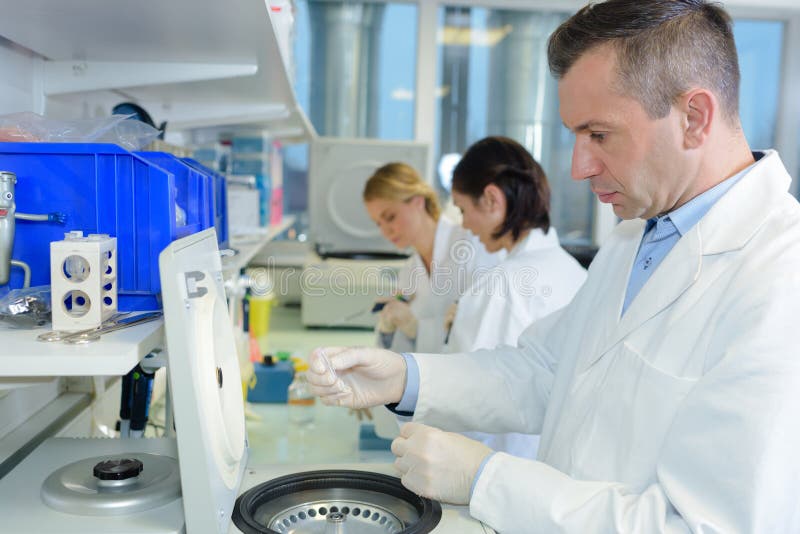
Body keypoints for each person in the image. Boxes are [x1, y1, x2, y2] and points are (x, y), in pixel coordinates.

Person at [307, 1, 800, 532]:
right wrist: (406, 377)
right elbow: (547, 372)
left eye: (599, 135)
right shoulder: (637, 234)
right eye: (574, 136)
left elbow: (705, 527)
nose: (577, 166)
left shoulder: (778, 282)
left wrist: (486, 480)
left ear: (694, 117)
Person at [445, 136, 586, 459]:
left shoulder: (501, 285)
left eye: (463, 209)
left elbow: (469, 409)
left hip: (501, 467)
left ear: (492, 199)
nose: (465, 225)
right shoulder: (574, 272)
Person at [363, 162, 500, 354]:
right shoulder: (410, 270)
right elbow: (402, 353)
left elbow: (481, 336)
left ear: (418, 201)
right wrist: (388, 331)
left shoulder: (470, 245)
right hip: (431, 378)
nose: (385, 231)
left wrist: (418, 329)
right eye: (378, 223)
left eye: (391, 217)